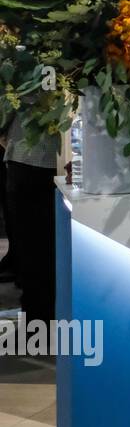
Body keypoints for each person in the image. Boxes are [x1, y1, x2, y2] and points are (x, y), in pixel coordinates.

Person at [3, 105, 59, 324]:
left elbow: (8, 102)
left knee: (33, 249)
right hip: (49, 156)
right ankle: (42, 319)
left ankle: (37, 323)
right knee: (43, 248)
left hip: (28, 154)